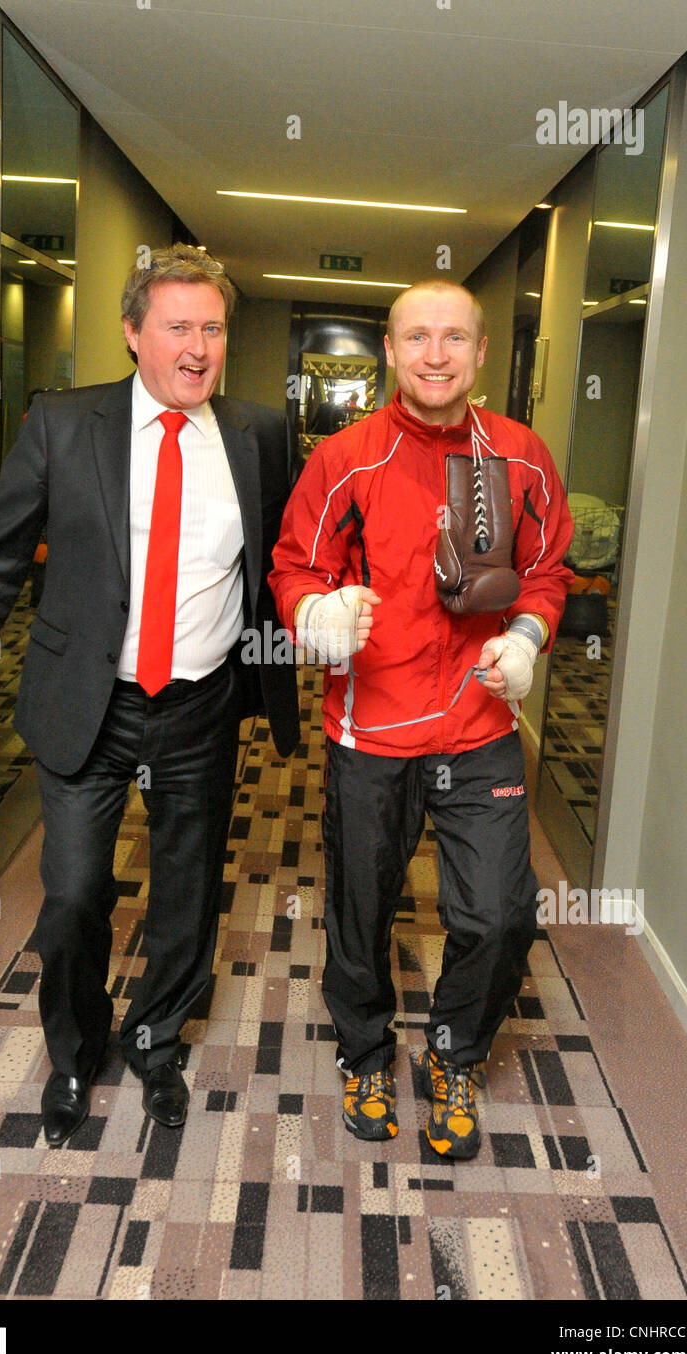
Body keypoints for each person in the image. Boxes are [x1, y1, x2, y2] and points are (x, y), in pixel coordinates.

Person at [0, 244, 300, 1147]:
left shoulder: (260, 434)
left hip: (201, 700)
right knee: (75, 889)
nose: (198, 347)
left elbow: (286, 564)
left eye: (211, 328)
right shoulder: (63, 424)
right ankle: (75, 1050)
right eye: (178, 328)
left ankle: (157, 1039)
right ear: (134, 335)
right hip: (87, 694)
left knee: (186, 885)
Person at [269, 279, 573, 1156]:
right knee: (362, 908)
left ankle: (453, 1052)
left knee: (497, 916)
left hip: (480, 723)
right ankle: (365, 1051)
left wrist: (525, 635)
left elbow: (547, 568)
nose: (434, 354)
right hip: (373, 728)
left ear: (481, 354)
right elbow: (295, 565)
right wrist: (317, 617)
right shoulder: (345, 456)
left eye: (452, 338)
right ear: (391, 353)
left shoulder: (520, 455)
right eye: (415, 337)